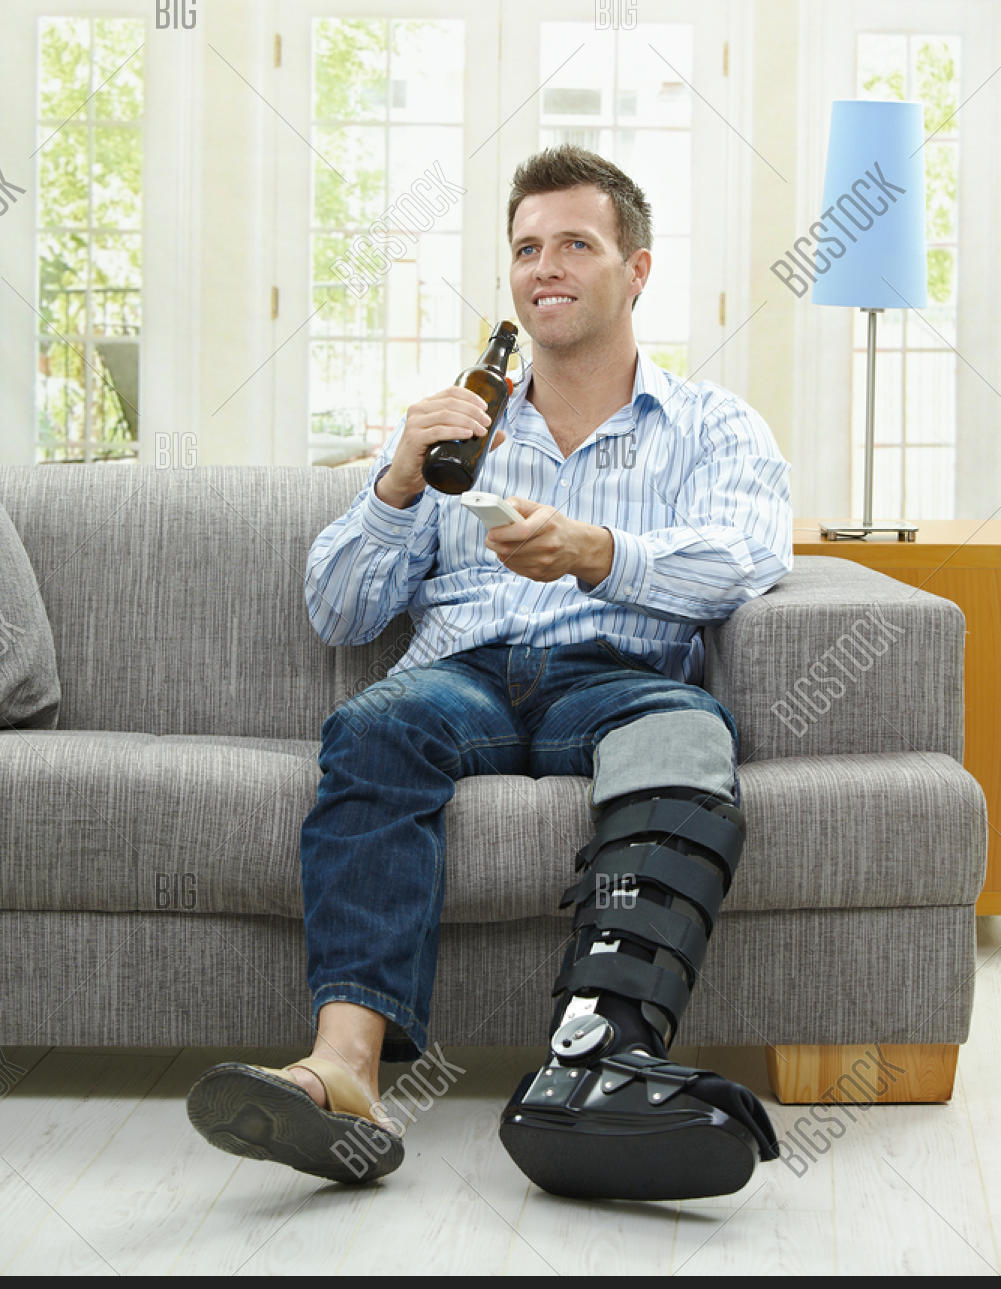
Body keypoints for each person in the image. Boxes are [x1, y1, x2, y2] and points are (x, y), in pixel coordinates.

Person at [187, 145, 793, 1201]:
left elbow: (747, 557)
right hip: (459, 678)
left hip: (611, 676)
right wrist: (392, 481)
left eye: (574, 243)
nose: (543, 266)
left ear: (634, 269)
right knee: (374, 726)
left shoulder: (710, 425)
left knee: (685, 730)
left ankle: (595, 1057)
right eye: (524, 248)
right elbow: (338, 610)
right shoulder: (459, 429)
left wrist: (596, 553)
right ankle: (343, 1075)